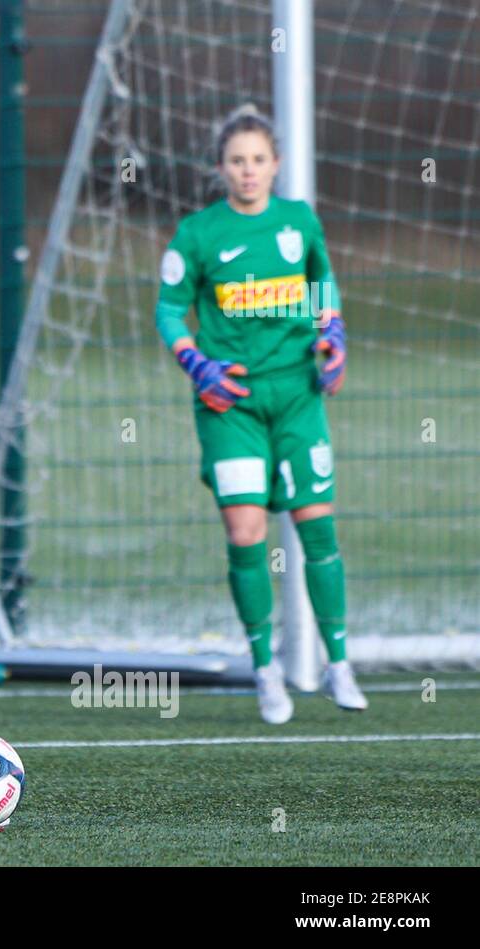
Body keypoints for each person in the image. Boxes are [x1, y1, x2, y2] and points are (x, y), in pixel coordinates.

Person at [154, 105, 369, 724]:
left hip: (298, 396)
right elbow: (169, 310)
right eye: (236, 161)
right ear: (221, 168)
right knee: (246, 533)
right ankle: (266, 671)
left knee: (317, 530)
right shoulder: (197, 234)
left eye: (258, 160)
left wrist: (335, 335)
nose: (248, 171)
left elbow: (322, 281)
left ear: (275, 165)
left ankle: (338, 664)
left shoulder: (298, 222)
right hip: (232, 407)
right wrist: (195, 362)